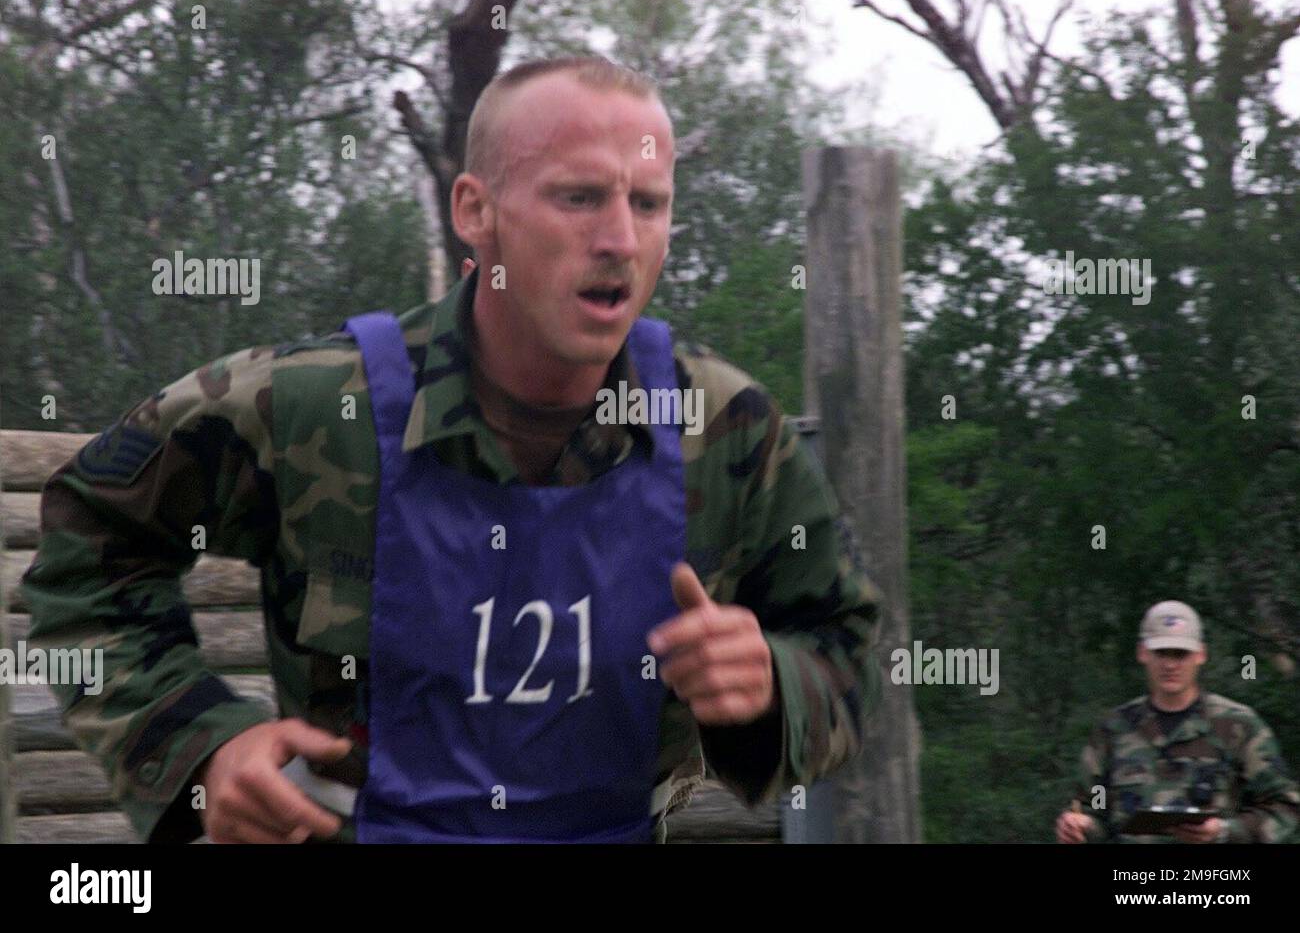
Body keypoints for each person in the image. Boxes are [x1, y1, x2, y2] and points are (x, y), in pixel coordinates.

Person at [21, 55, 883, 844]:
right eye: (579, 196)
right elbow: (85, 548)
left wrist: (772, 681)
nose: (620, 237)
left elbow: (843, 644)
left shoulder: (724, 429)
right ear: (475, 211)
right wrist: (205, 743)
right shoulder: (312, 406)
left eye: (647, 202)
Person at [1055, 600, 1298, 844]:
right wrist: (1081, 825)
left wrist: (1225, 831)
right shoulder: (1113, 730)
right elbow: (1094, 804)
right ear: (1142, 652)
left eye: (1180, 654)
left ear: (1200, 654)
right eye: (1161, 653)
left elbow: (1286, 808)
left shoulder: (1237, 726)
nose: (1170, 665)